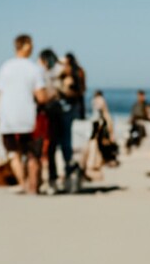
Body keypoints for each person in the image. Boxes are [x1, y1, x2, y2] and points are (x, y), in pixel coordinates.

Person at [0, 35, 48, 194]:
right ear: (26, 46)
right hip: (28, 117)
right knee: (33, 155)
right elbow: (41, 97)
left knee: (13, 154)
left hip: (7, 117)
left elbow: (0, 93)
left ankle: (23, 183)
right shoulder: (33, 68)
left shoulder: (6, 67)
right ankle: (33, 187)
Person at [38, 49, 64, 193]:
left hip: (49, 112)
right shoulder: (55, 72)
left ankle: (49, 180)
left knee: (48, 148)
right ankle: (49, 180)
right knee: (50, 148)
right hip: (52, 112)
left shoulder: (50, 73)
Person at [56, 52, 86, 181]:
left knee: (66, 141)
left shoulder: (72, 77)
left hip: (68, 110)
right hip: (76, 111)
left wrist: (60, 91)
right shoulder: (78, 73)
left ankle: (69, 169)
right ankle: (69, 170)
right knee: (68, 141)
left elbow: (73, 92)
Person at [81, 90, 118, 180]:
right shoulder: (101, 101)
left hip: (95, 125)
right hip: (98, 126)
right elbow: (105, 112)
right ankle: (93, 167)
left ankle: (90, 167)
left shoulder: (95, 101)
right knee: (96, 148)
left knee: (93, 147)